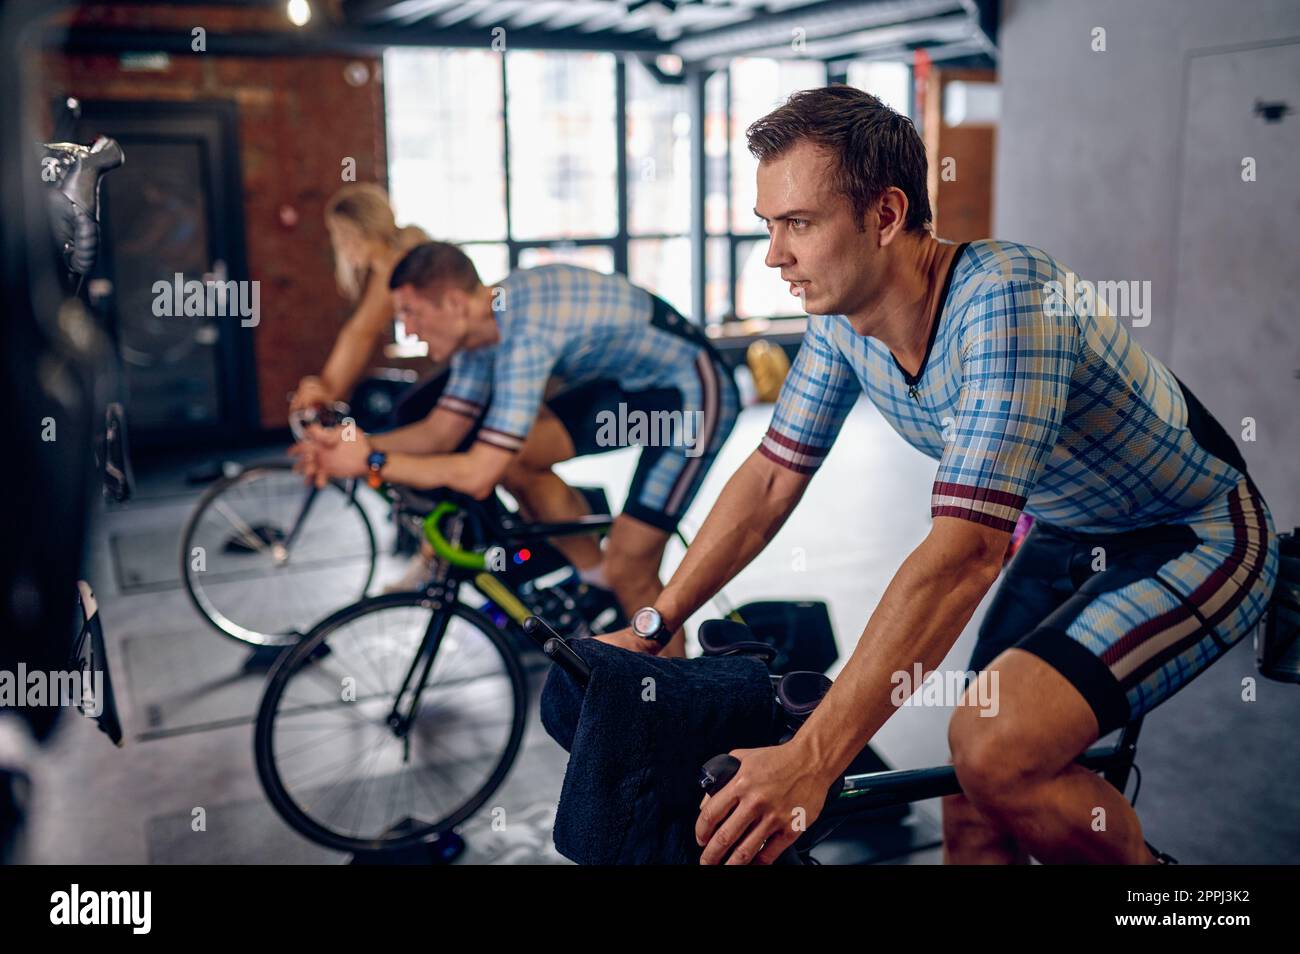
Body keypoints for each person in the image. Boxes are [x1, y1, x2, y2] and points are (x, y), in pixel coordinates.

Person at [597, 85, 1278, 864]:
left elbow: (964, 553)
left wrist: (814, 760)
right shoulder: (840, 324)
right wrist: (657, 624)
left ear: (885, 217)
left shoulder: (1010, 301)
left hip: (1193, 532)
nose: (774, 254)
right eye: (769, 225)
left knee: (995, 752)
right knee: (970, 805)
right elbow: (771, 479)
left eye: (799, 224)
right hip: (1068, 531)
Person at [294, 244, 740, 656]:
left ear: (452, 303)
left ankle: (679, 709)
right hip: (629, 386)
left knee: (632, 566)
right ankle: (595, 579)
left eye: (410, 314)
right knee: (518, 456)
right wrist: (353, 445)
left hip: (693, 391)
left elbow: (479, 473)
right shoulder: (480, 333)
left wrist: (373, 462)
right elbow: (440, 433)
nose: (406, 330)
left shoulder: (524, 333)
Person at [290, 183, 429, 413]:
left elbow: (361, 333)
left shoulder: (393, 264)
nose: (341, 245)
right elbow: (358, 332)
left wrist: (327, 390)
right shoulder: (385, 264)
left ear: (362, 231)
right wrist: (325, 387)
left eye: (343, 235)